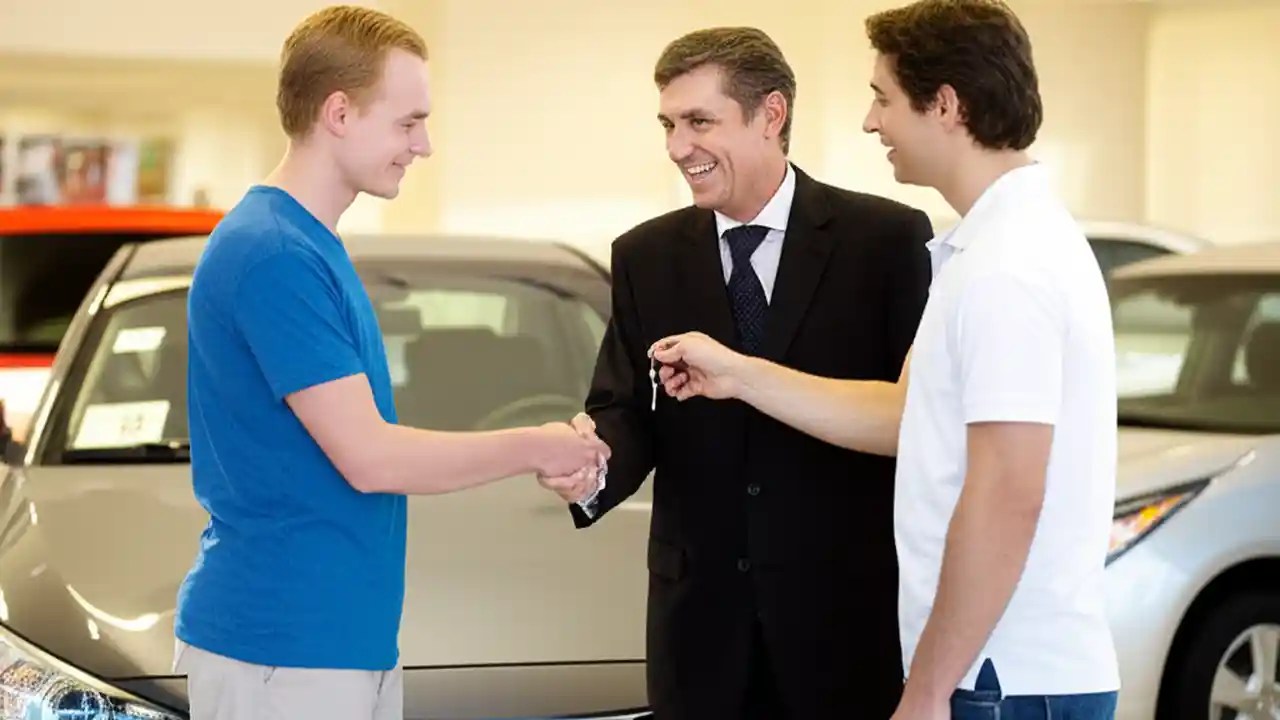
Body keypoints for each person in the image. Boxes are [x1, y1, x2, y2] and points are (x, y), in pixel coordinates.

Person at [650, 2, 1121, 719]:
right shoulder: (990, 248)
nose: (871, 122)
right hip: (993, 675)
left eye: (884, 97)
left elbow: (1007, 493)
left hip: (1000, 680)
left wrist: (926, 690)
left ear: (946, 105)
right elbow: (905, 416)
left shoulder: (1008, 268)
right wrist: (739, 374)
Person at [173, 6, 607, 720]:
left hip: (334, 638)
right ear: (339, 113)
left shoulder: (304, 243)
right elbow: (371, 457)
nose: (423, 145)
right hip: (284, 644)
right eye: (409, 123)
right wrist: (540, 444)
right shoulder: (273, 254)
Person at [537, 25, 934, 720]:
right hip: (700, 638)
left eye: (698, 122)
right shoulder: (645, 255)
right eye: (668, 125)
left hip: (846, 628)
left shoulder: (888, 242)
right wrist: (591, 465)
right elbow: (625, 408)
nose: (676, 147)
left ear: (770, 114)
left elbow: (919, 422)